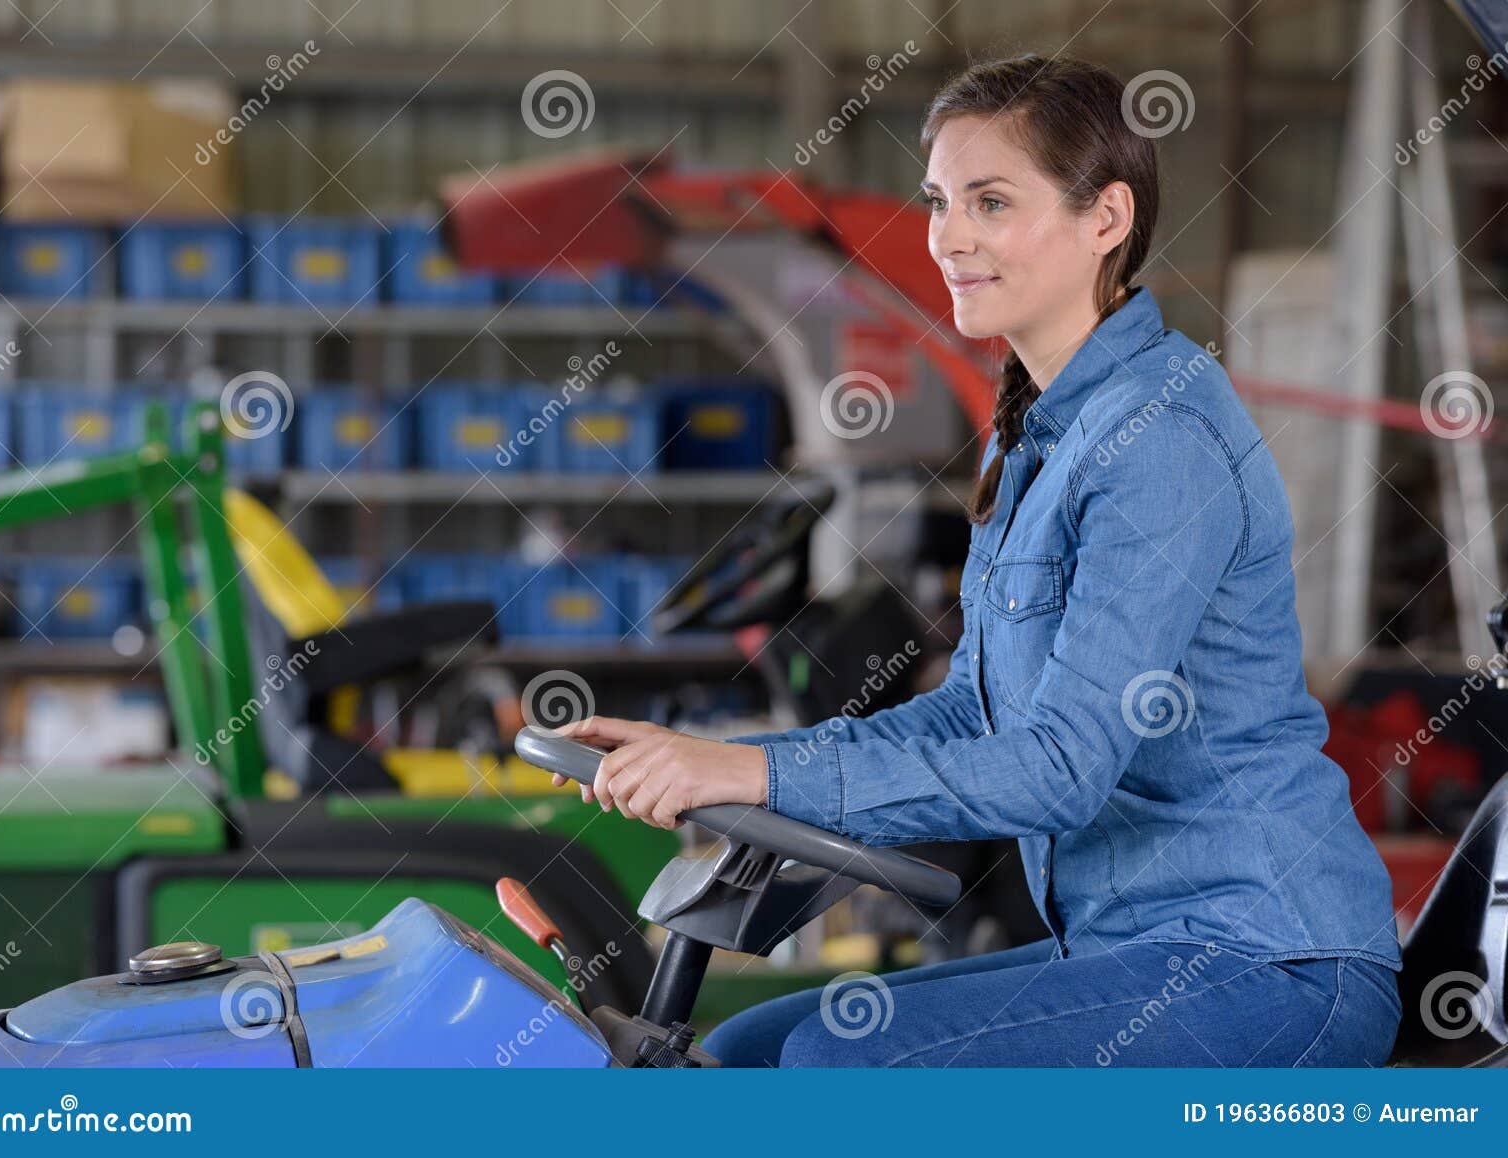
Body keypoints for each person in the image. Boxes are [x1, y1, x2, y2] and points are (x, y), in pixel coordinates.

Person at [554, 53, 1402, 1067]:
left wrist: (750, 772)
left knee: (838, 1064)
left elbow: (1060, 767)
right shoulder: (1033, 429)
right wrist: (751, 769)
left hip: (1267, 961)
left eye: (990, 203)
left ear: (1106, 219)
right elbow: (975, 711)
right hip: (1124, 943)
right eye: (939, 203)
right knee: (748, 1048)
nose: (947, 238)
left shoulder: (1161, 442)